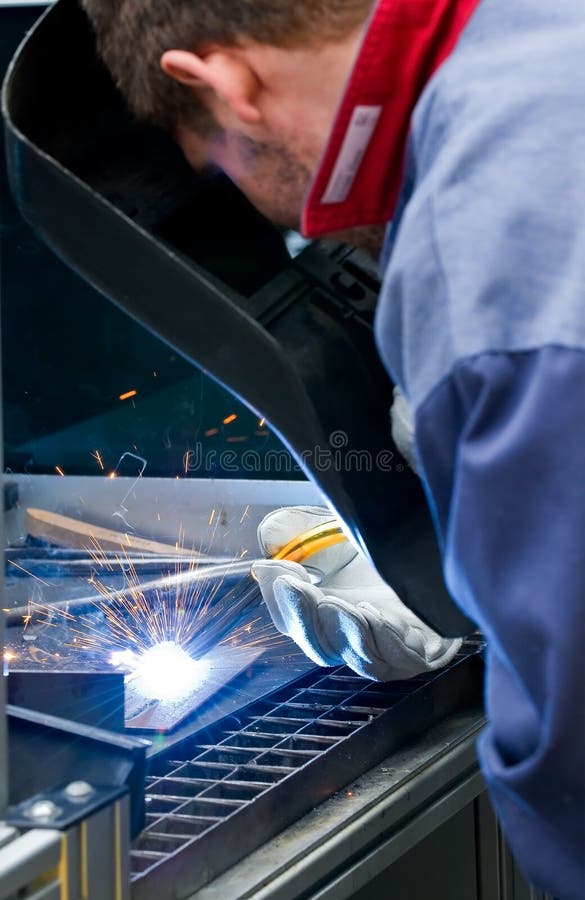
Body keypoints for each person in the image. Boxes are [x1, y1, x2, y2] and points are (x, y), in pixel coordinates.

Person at [80, 0, 585, 896]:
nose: (273, 212)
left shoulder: (485, 257)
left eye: (222, 165)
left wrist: (510, 615)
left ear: (221, 84)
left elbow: (576, 753)